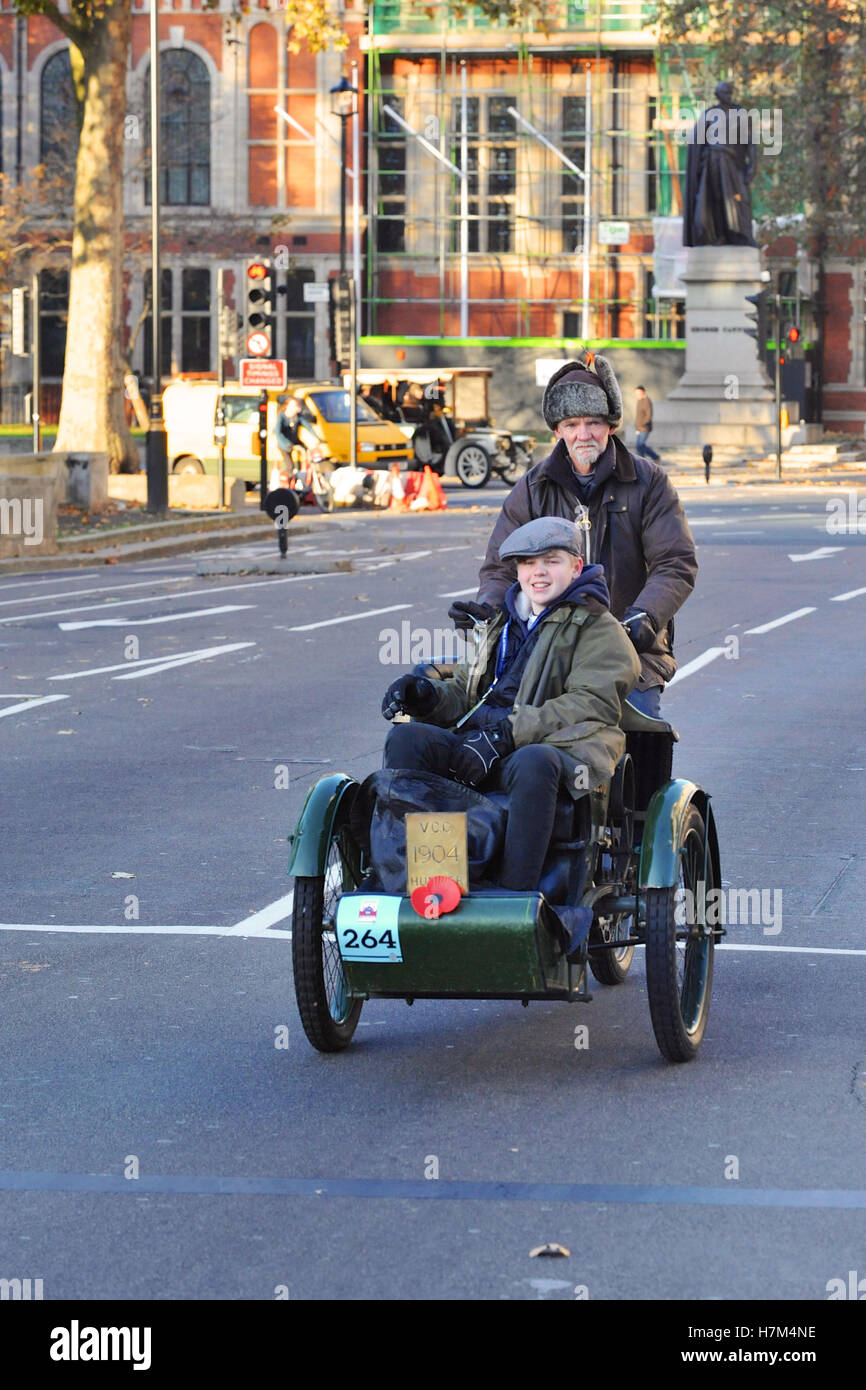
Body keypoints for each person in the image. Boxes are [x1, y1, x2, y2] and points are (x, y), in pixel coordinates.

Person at [381, 517, 640, 893]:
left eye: (551, 560)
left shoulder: (599, 627)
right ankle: (425, 881)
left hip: (549, 751)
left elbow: (590, 704)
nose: (538, 572)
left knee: (534, 762)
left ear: (576, 567)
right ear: (517, 570)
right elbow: (466, 692)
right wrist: (425, 695)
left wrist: (505, 735)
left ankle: (515, 898)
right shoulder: (500, 622)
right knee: (407, 741)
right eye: (527, 563)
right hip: (481, 742)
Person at [449, 352, 697, 718]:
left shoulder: (649, 481)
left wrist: (644, 617)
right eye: (573, 423)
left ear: (611, 426)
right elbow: (501, 567)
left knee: (639, 730)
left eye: (594, 422)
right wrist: (488, 611)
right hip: (545, 651)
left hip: (631, 652)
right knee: (503, 728)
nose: (584, 434)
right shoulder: (532, 488)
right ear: (558, 430)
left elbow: (675, 562)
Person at [274, 396, 303, 470]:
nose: (296, 408)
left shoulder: (297, 417)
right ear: (287, 406)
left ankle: (295, 478)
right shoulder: (282, 416)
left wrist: (318, 439)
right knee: (290, 466)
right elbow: (277, 431)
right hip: (284, 445)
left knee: (300, 463)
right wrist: (285, 443)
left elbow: (308, 426)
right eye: (294, 406)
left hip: (293, 442)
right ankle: (288, 479)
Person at [634, 385, 661, 463]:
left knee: (640, 445)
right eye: (636, 393)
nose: (637, 395)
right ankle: (642, 460)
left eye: (638, 393)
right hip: (639, 427)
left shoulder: (647, 401)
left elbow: (649, 416)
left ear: (643, 392)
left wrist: (642, 424)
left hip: (644, 428)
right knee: (639, 446)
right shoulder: (639, 400)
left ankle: (654, 457)